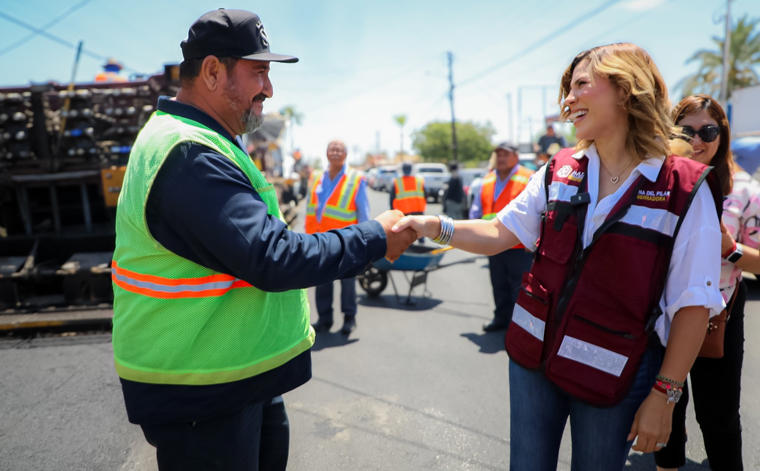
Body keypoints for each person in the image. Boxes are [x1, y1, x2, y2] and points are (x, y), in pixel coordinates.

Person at [393, 43, 724, 470]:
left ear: (625, 90)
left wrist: (665, 394)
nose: (567, 100)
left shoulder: (684, 189)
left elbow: (694, 305)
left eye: (581, 85)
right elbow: (499, 231)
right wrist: (433, 226)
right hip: (533, 363)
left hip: (613, 373)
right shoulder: (559, 167)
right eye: (567, 89)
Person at [110, 9, 415, 471]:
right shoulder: (188, 152)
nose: (269, 89)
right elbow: (272, 256)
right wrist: (374, 239)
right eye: (259, 72)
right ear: (213, 71)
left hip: (229, 379)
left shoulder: (205, 140)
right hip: (202, 395)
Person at [654, 95, 760, 471]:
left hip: (717, 316)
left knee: (717, 416)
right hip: (656, 317)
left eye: (708, 131)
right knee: (664, 408)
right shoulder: (653, 183)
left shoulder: (745, 193)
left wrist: (730, 249)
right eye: (686, 130)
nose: (697, 140)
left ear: (723, 135)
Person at [468, 141, 534, 332]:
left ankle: (518, 326)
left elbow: (538, 212)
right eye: (499, 154)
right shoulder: (487, 180)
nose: (502, 158)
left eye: (506, 154)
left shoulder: (528, 178)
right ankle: (501, 319)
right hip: (493, 244)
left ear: (516, 156)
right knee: (499, 285)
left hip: (519, 246)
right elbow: (476, 211)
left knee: (519, 288)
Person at [305, 140, 370, 336]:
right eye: (332, 149)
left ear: (346, 154)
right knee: (322, 282)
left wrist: (365, 242)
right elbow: (310, 209)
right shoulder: (316, 177)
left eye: (339, 149)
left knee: (348, 283)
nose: (335, 152)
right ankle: (324, 319)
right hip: (321, 241)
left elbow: (363, 213)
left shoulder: (355, 178)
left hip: (346, 242)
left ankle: (349, 318)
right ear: (326, 153)